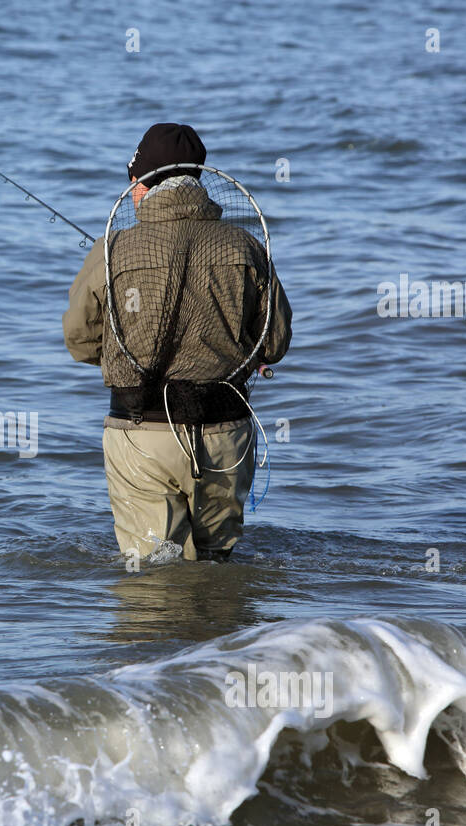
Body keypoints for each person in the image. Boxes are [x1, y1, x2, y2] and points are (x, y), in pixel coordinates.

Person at [62, 123, 292, 561]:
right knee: (216, 567)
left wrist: (123, 355)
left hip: (140, 433)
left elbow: (78, 339)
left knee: (153, 574)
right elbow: (275, 341)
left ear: (143, 184)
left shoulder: (112, 248)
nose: (130, 191)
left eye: (133, 181)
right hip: (227, 433)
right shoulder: (245, 247)